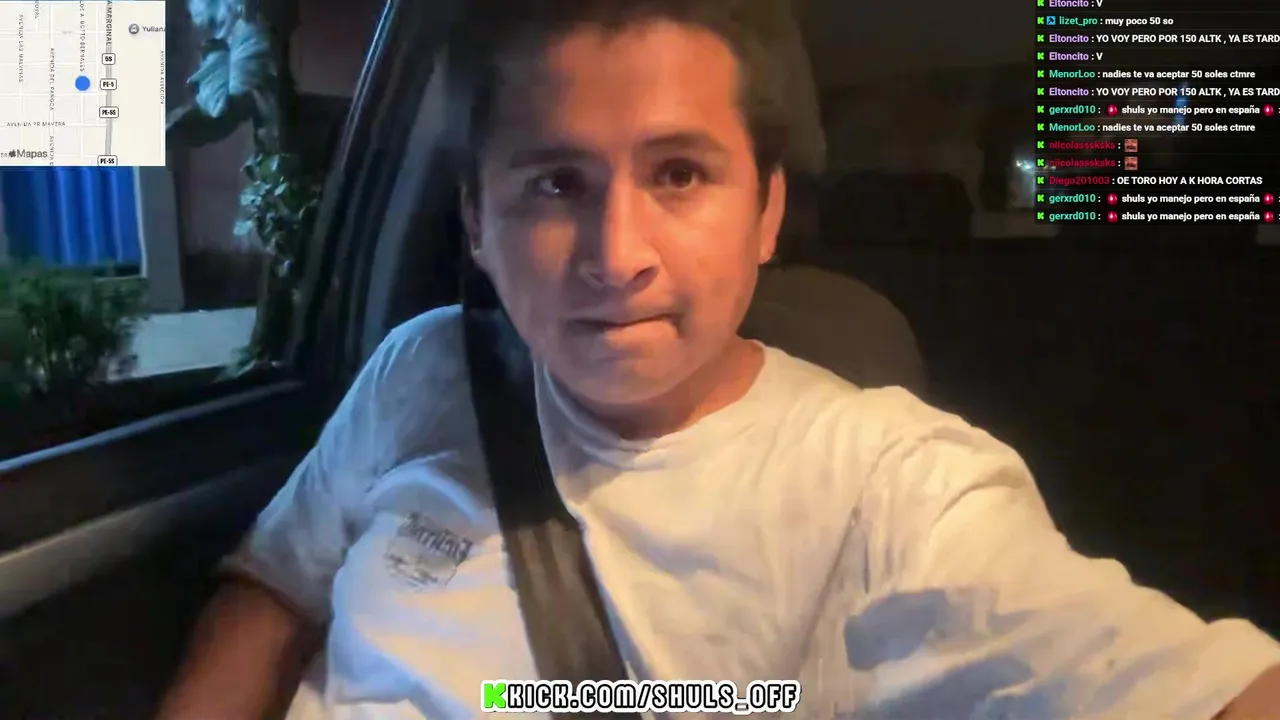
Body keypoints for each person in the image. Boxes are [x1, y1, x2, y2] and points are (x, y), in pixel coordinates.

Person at [157, 1, 1280, 717]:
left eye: (680, 174)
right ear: (477, 222)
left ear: (766, 212)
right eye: (555, 184)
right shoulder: (421, 370)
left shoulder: (893, 486)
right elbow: (274, 589)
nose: (616, 256)